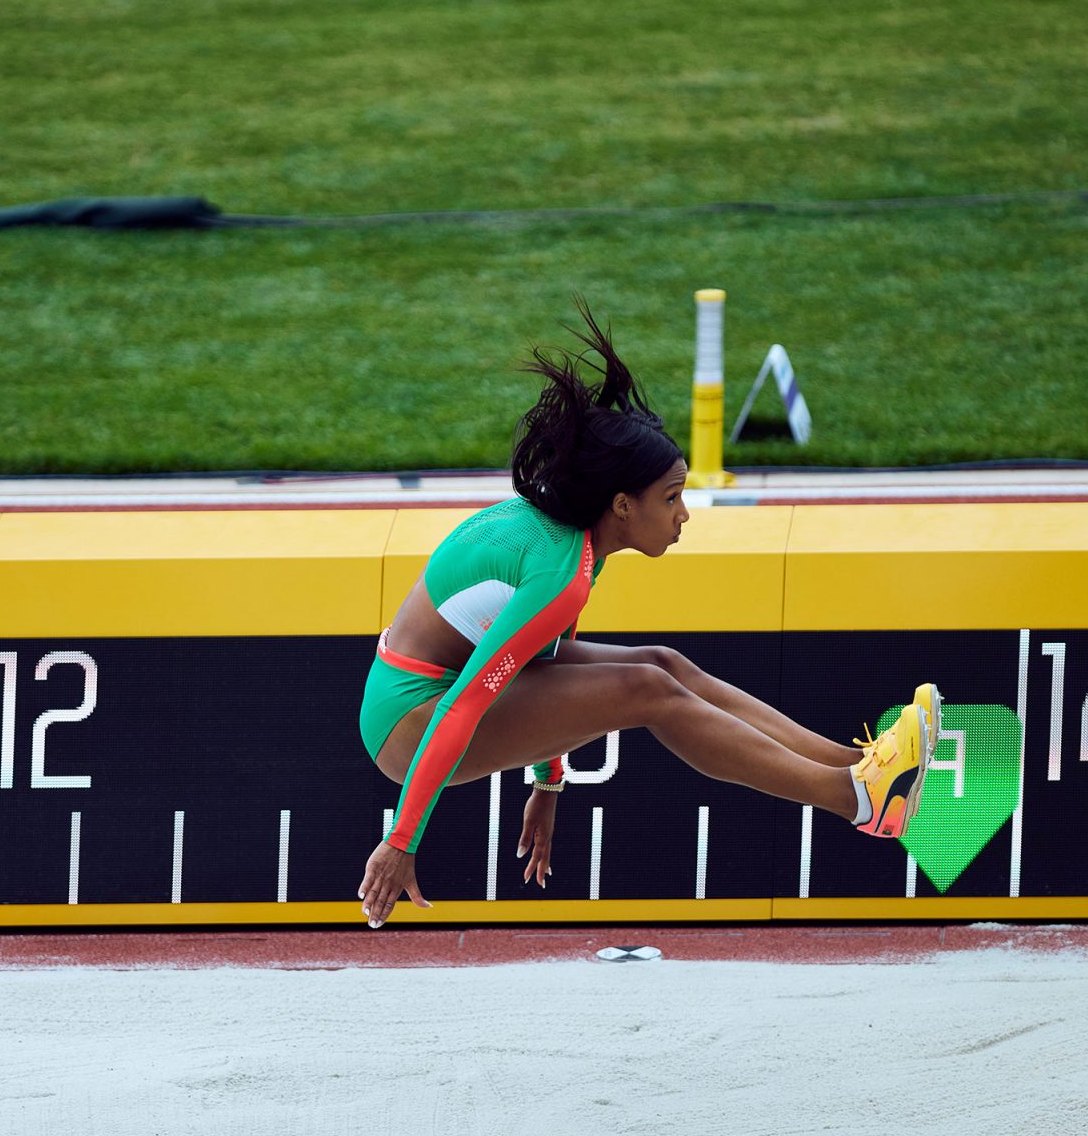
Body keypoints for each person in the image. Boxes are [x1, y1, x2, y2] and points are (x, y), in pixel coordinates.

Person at [356, 302, 941, 928]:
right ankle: (855, 800)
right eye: (671, 498)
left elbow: (537, 663)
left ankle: (855, 768)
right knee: (647, 688)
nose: (684, 514)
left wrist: (548, 782)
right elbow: (466, 703)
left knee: (664, 664)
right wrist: (402, 842)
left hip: (432, 690)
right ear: (622, 506)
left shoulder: (574, 543)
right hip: (410, 723)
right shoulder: (561, 575)